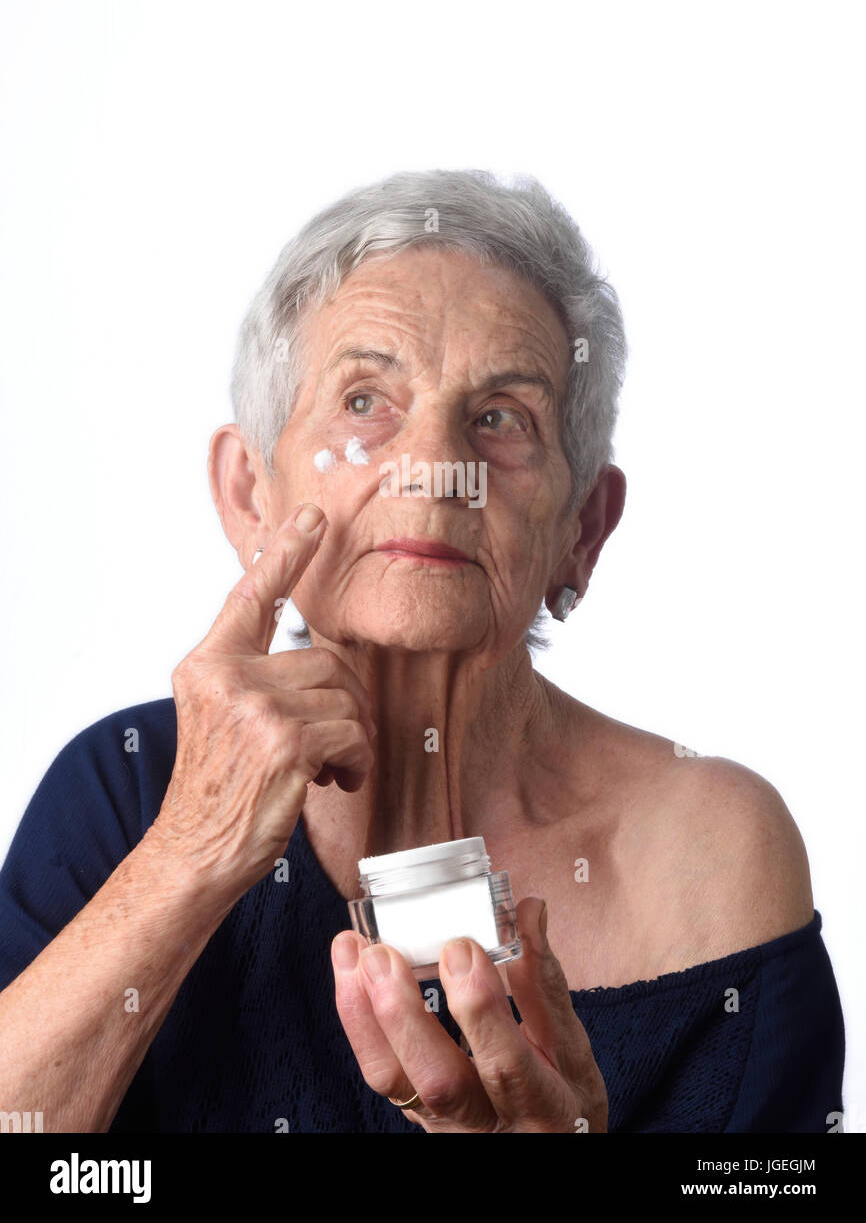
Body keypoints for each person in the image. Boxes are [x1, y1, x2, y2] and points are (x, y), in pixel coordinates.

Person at [0, 169, 845, 1133]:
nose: (433, 465)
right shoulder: (129, 790)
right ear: (249, 494)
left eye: (499, 420)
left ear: (582, 530)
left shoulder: (713, 855)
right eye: (365, 401)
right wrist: (194, 847)